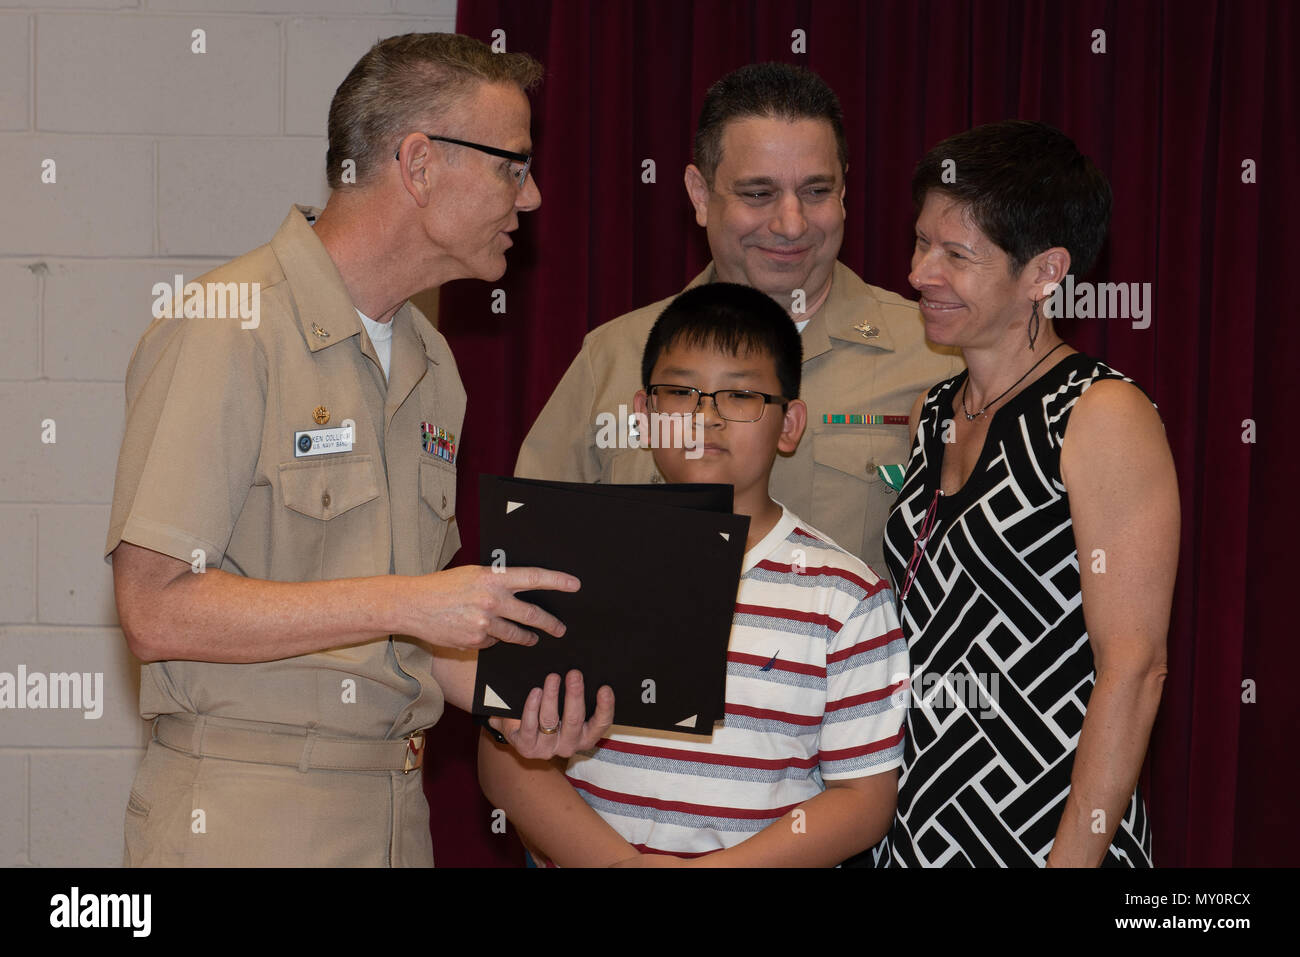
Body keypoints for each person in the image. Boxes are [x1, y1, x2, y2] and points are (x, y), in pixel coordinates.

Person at [104, 33, 612, 868]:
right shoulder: (231, 324)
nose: (533, 198)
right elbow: (155, 609)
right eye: (512, 166)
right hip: (246, 814)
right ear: (419, 163)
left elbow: (417, 634)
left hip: (394, 812)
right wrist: (405, 601)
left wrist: (515, 702)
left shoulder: (432, 361)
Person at [479, 282, 909, 866]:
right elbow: (503, 755)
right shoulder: (568, 564)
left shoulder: (846, 595)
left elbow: (863, 797)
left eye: (741, 397)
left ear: (789, 424)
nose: (706, 417)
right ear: (644, 415)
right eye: (680, 392)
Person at [515, 62, 961, 583]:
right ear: (700, 195)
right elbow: (532, 560)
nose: (790, 223)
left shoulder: (937, 356)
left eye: (817, 191)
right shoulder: (613, 356)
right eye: (758, 194)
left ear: (844, 192)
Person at [884, 120, 1178, 867]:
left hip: (1044, 828)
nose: (921, 273)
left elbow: (1134, 668)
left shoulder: (1099, 413)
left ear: (1046, 271)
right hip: (919, 824)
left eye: (957, 254)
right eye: (921, 242)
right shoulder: (932, 413)